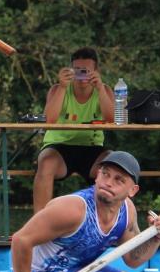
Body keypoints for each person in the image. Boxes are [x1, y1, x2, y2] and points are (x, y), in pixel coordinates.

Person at [11, 151, 160, 272]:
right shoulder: (72, 209)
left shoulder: (128, 211)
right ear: (97, 175)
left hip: (78, 268)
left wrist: (156, 236)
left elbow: (133, 259)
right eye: (105, 174)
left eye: (119, 180)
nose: (108, 182)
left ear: (132, 190)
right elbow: (21, 239)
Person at [32, 47, 115, 212]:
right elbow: (49, 120)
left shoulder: (103, 91)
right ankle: (38, 223)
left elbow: (112, 119)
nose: (82, 75)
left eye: (86, 71)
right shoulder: (58, 89)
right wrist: (63, 86)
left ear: (96, 71)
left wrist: (100, 89)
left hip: (92, 148)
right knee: (46, 163)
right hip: (59, 148)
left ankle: (106, 223)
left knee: (113, 163)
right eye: (78, 70)